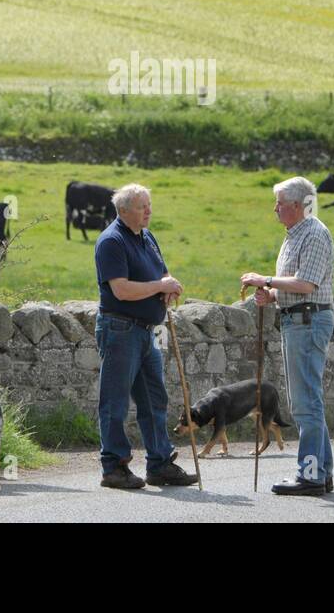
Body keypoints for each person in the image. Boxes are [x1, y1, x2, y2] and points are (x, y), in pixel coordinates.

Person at [94, 182, 200, 490]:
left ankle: (160, 464)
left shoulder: (147, 238)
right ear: (124, 210)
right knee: (114, 402)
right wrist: (160, 287)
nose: (149, 211)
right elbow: (122, 290)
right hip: (120, 329)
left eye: (149, 205)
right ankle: (113, 467)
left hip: (148, 331)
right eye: (143, 207)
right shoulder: (111, 241)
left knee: (155, 398)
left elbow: (161, 275)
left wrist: (170, 286)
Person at [240, 176, 334, 496]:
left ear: (297, 206)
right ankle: (322, 472)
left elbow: (307, 284)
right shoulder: (296, 234)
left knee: (305, 403)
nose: (275, 209)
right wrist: (273, 295)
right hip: (298, 319)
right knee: (308, 400)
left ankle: (310, 474)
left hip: (307, 323)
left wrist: (266, 279)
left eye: (280, 204)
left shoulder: (314, 234)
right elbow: (296, 286)